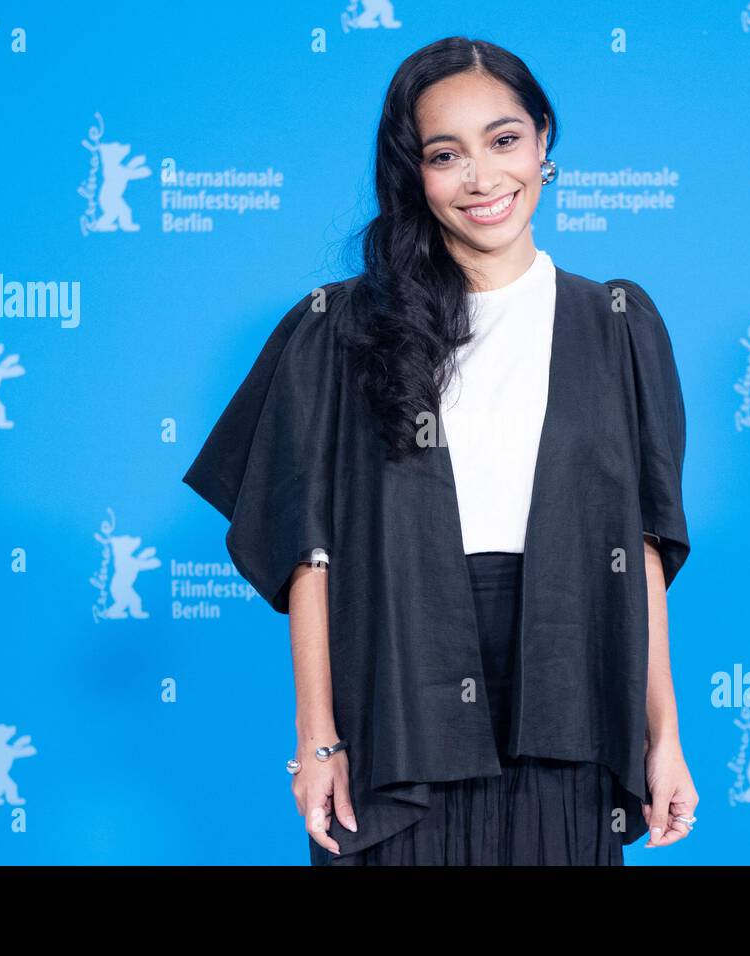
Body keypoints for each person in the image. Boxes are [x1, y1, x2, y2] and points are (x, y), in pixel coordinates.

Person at [183, 36, 699, 865]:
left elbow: (637, 550)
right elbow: (309, 556)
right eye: (446, 154)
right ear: (413, 175)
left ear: (543, 140)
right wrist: (318, 740)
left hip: (566, 695)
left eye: (504, 141)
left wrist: (662, 736)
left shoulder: (617, 326)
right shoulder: (344, 330)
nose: (483, 178)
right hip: (397, 695)